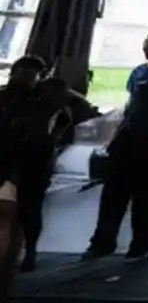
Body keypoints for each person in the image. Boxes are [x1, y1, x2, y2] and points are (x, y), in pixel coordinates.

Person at [83, 30, 148, 261]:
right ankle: (102, 242)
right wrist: (114, 135)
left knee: (146, 196)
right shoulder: (139, 72)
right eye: (146, 40)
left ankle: (142, 245)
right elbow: (130, 106)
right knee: (112, 193)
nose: (146, 44)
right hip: (127, 138)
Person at [0, 55, 72, 277]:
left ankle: (27, 252)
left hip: (31, 157)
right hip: (15, 155)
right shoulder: (11, 96)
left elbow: (66, 119)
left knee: (28, 209)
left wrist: (53, 140)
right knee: (27, 209)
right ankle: (25, 252)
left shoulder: (47, 98)